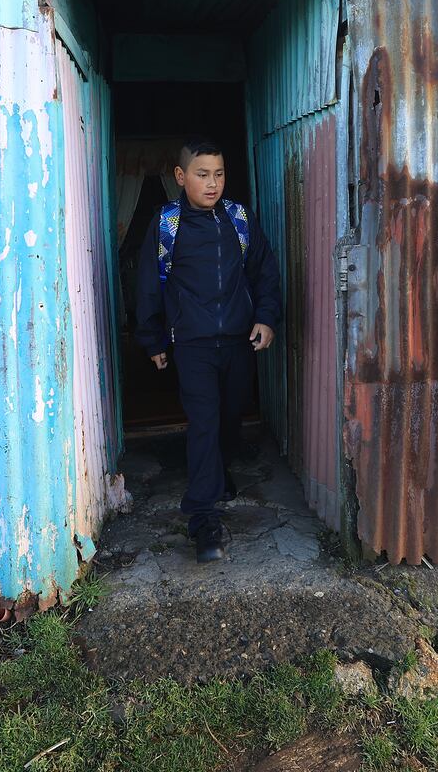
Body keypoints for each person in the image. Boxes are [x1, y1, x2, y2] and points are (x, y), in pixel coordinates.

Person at [134, 139, 282, 562]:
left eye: (218, 174)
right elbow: (148, 286)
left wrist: (267, 318)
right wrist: (154, 340)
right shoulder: (168, 225)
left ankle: (219, 472)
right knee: (204, 421)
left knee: (231, 415)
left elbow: (264, 272)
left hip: (237, 341)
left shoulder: (238, 220)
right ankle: (203, 520)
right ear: (181, 177)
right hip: (193, 345)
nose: (212, 183)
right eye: (202, 174)